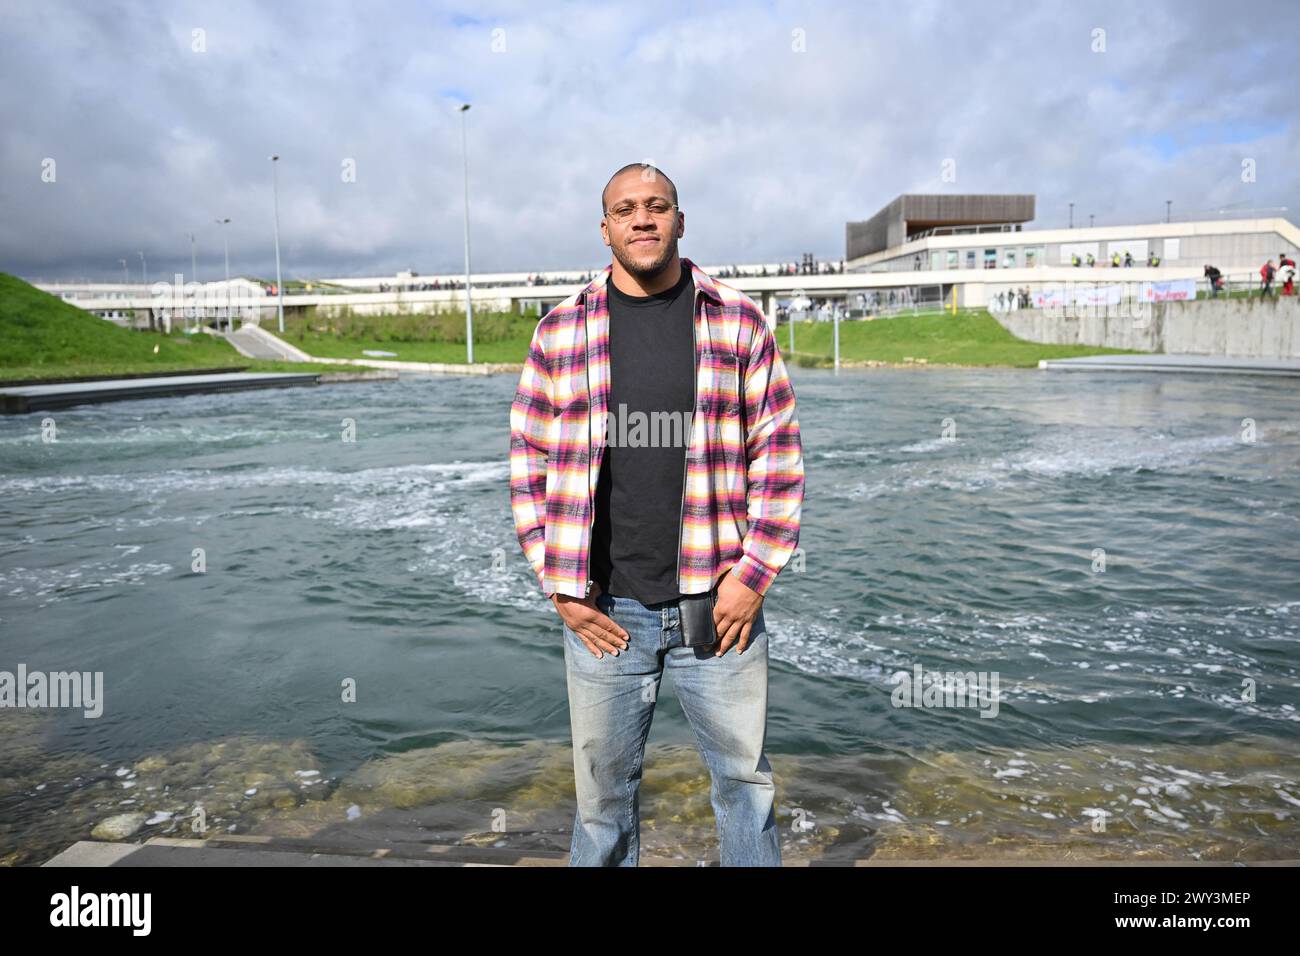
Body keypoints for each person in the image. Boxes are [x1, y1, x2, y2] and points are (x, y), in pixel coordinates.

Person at [509, 162, 803, 868]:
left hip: (720, 607)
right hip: (606, 613)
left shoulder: (736, 320)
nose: (642, 219)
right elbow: (528, 461)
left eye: (657, 205)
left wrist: (753, 578)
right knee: (601, 805)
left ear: (679, 219)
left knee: (745, 788)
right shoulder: (561, 331)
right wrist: (559, 588)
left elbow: (780, 454)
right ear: (604, 227)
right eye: (626, 209)